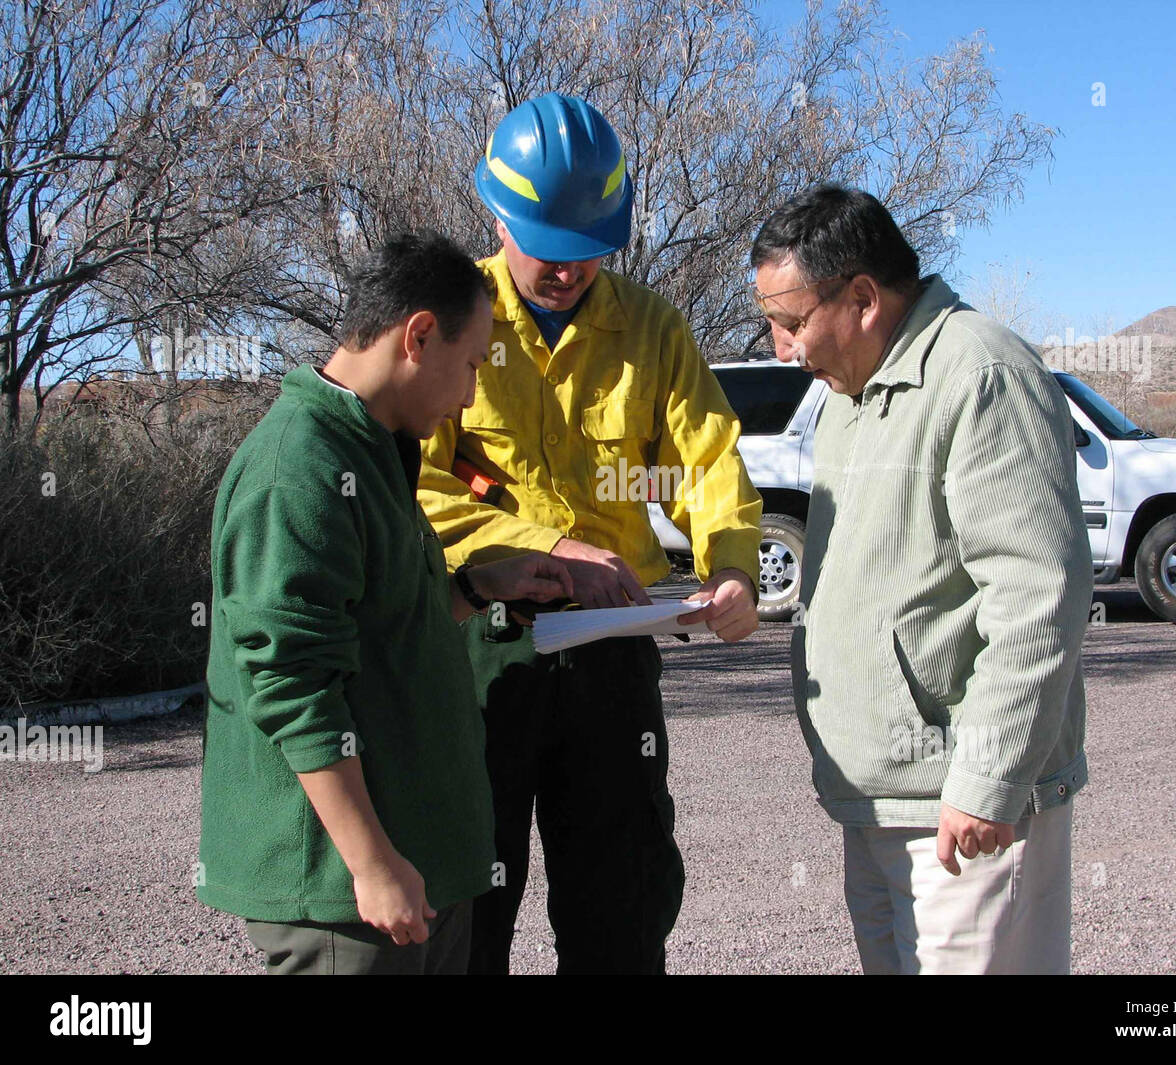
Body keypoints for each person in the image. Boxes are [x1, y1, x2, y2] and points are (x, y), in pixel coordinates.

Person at [417, 93, 762, 974]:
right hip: (481, 646)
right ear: (497, 217)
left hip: (613, 655)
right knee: (464, 903)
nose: (570, 271)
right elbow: (414, 488)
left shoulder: (652, 328)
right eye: (549, 249)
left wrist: (731, 569)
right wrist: (549, 548)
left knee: (621, 905)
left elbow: (707, 465)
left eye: (590, 249)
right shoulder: (453, 324)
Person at [197, 231, 573, 975]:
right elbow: (291, 681)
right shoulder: (299, 465)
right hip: (349, 900)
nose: (470, 393)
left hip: (410, 874)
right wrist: (370, 864)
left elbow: (382, 624)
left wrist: (478, 586)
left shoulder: (372, 448)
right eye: (469, 365)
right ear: (419, 336)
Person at [750, 184, 1092, 975]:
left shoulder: (981, 373)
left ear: (864, 298)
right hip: (879, 797)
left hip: (961, 805)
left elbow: (1038, 592)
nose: (780, 347)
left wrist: (988, 780)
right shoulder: (846, 394)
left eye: (793, 322)